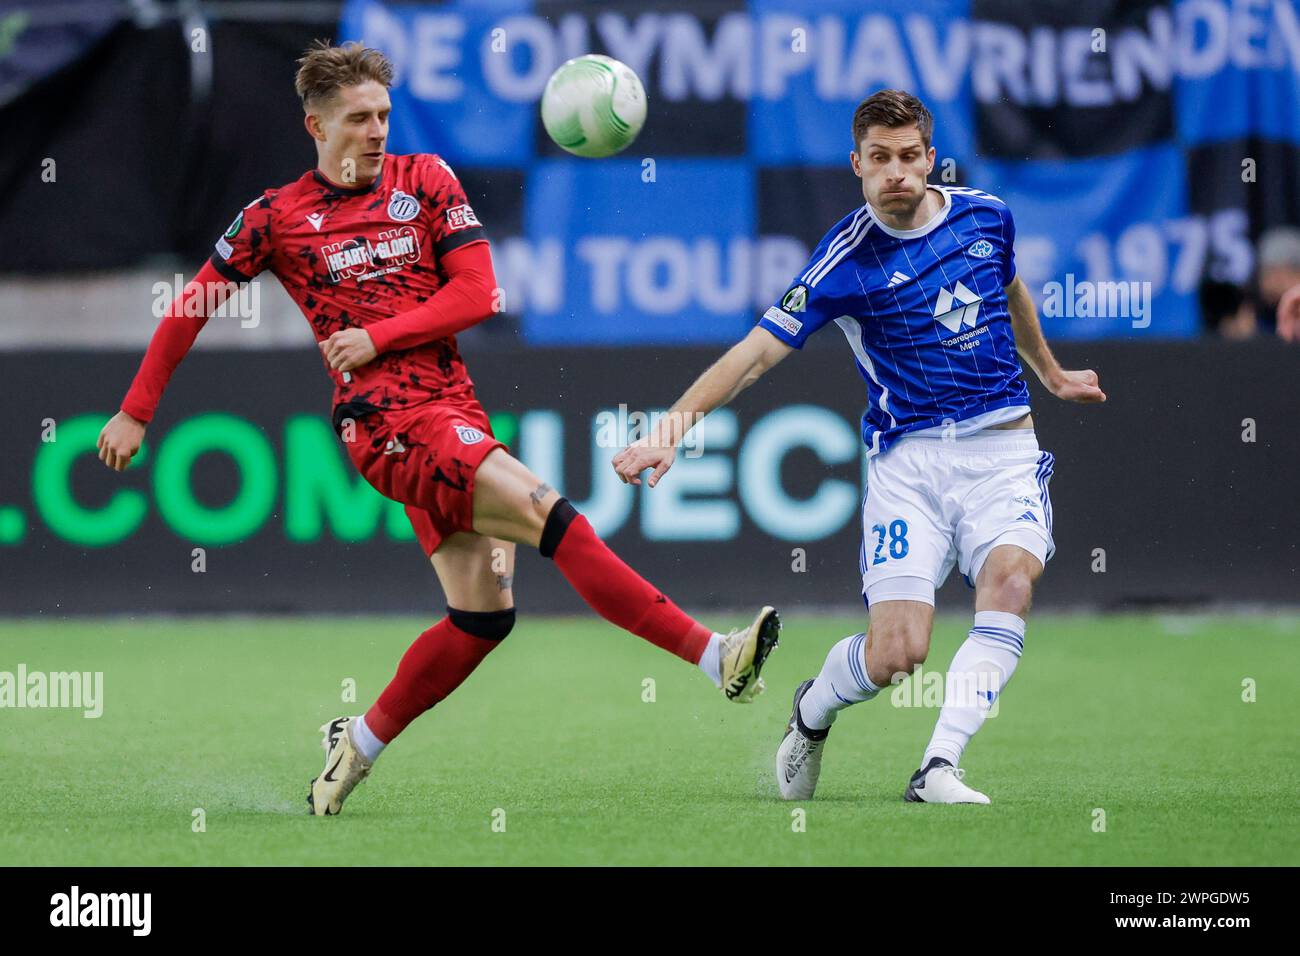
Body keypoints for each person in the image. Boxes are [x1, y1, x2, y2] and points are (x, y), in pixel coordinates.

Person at [96, 41, 780, 817]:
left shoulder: (424, 180)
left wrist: (378, 336)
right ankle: (713, 655)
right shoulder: (274, 217)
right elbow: (192, 306)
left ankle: (355, 745)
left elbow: (480, 294)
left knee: (482, 618)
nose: (378, 129)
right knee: (547, 514)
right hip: (384, 424)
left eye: (384, 114)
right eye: (359, 118)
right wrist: (135, 409)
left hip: (451, 408)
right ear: (314, 125)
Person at [613, 90, 1105, 804]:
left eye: (909, 157)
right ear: (857, 164)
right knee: (899, 655)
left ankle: (937, 766)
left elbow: (1010, 290)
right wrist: (668, 432)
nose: (896, 172)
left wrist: (1051, 373)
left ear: (930, 158)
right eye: (880, 159)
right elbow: (754, 354)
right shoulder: (844, 261)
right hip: (908, 465)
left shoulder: (986, 216)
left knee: (1011, 582)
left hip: (1003, 447)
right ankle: (812, 713)